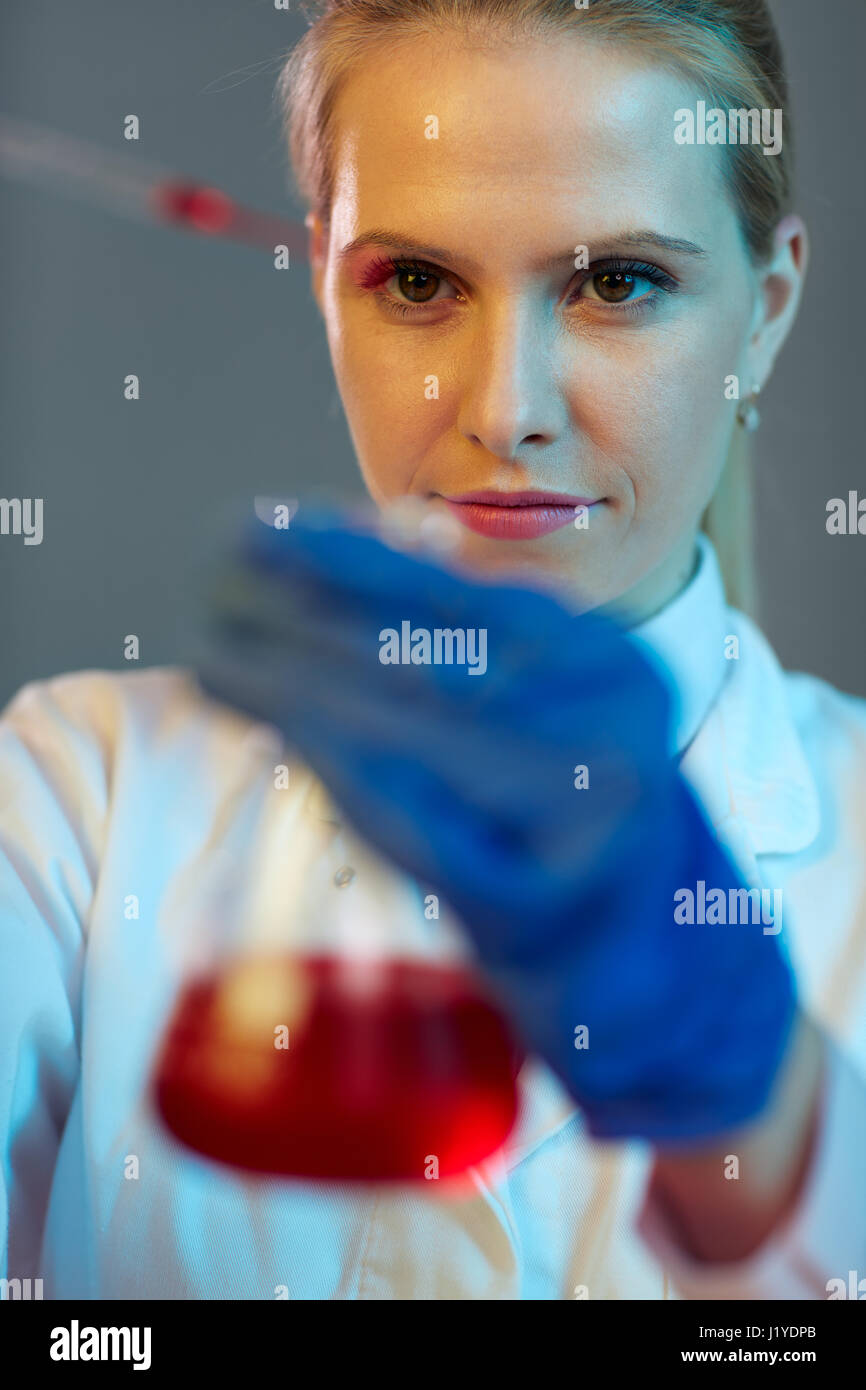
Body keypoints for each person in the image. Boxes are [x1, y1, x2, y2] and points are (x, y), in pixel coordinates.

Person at [1, 0, 864, 1300]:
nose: (503, 409)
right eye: (417, 282)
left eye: (617, 281)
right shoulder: (72, 800)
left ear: (766, 304)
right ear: (320, 282)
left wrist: (767, 1111)